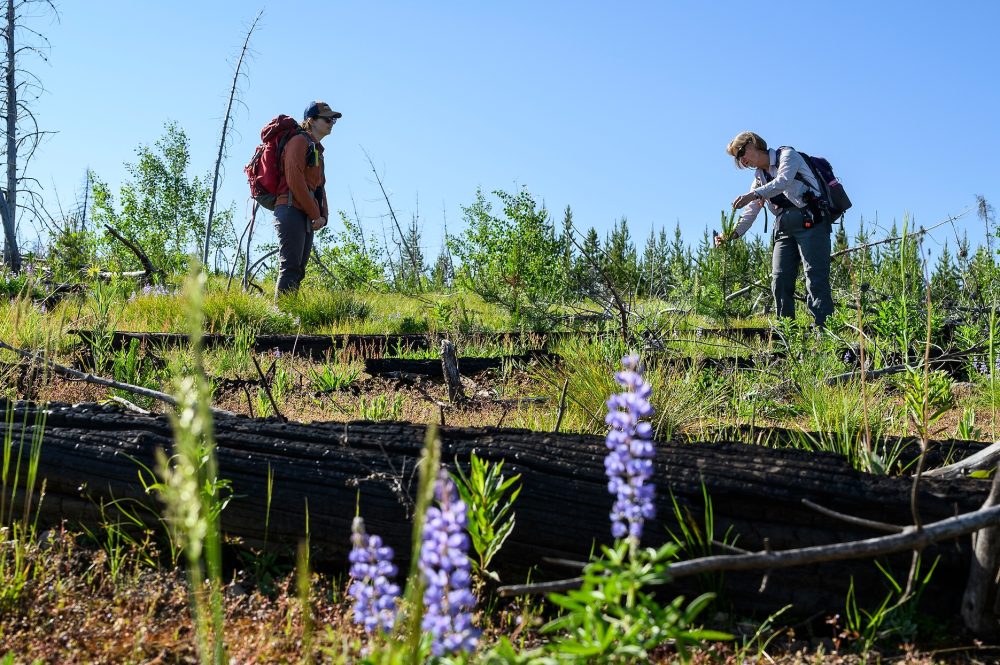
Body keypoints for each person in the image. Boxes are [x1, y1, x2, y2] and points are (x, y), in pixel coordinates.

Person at [717, 131, 834, 328]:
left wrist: (753, 194)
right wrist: (731, 234)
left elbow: (783, 182)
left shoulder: (788, 155)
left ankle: (824, 331)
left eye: (741, 153)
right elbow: (751, 211)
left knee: (815, 277)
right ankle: (786, 335)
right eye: (737, 159)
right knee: (779, 280)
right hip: (783, 230)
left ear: (752, 143)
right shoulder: (759, 178)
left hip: (812, 222)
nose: (741, 161)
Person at [274, 100, 341, 298]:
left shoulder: (316, 148)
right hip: (289, 209)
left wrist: (323, 216)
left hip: (304, 213)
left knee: (299, 270)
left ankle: (288, 317)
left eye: (333, 120)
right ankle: (280, 321)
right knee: (290, 267)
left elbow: (320, 186)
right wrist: (315, 213)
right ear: (311, 120)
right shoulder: (299, 142)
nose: (331, 123)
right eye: (327, 119)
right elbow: (295, 180)